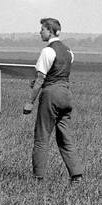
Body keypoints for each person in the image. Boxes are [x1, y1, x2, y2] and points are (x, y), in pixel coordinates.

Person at [23, 17, 84, 181]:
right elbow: (59, 74)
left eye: (42, 29)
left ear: (50, 31)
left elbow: (40, 80)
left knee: (42, 137)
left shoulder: (47, 51)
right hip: (66, 94)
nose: (40, 32)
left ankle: (38, 177)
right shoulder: (69, 52)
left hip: (50, 95)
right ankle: (76, 175)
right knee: (65, 137)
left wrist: (29, 103)